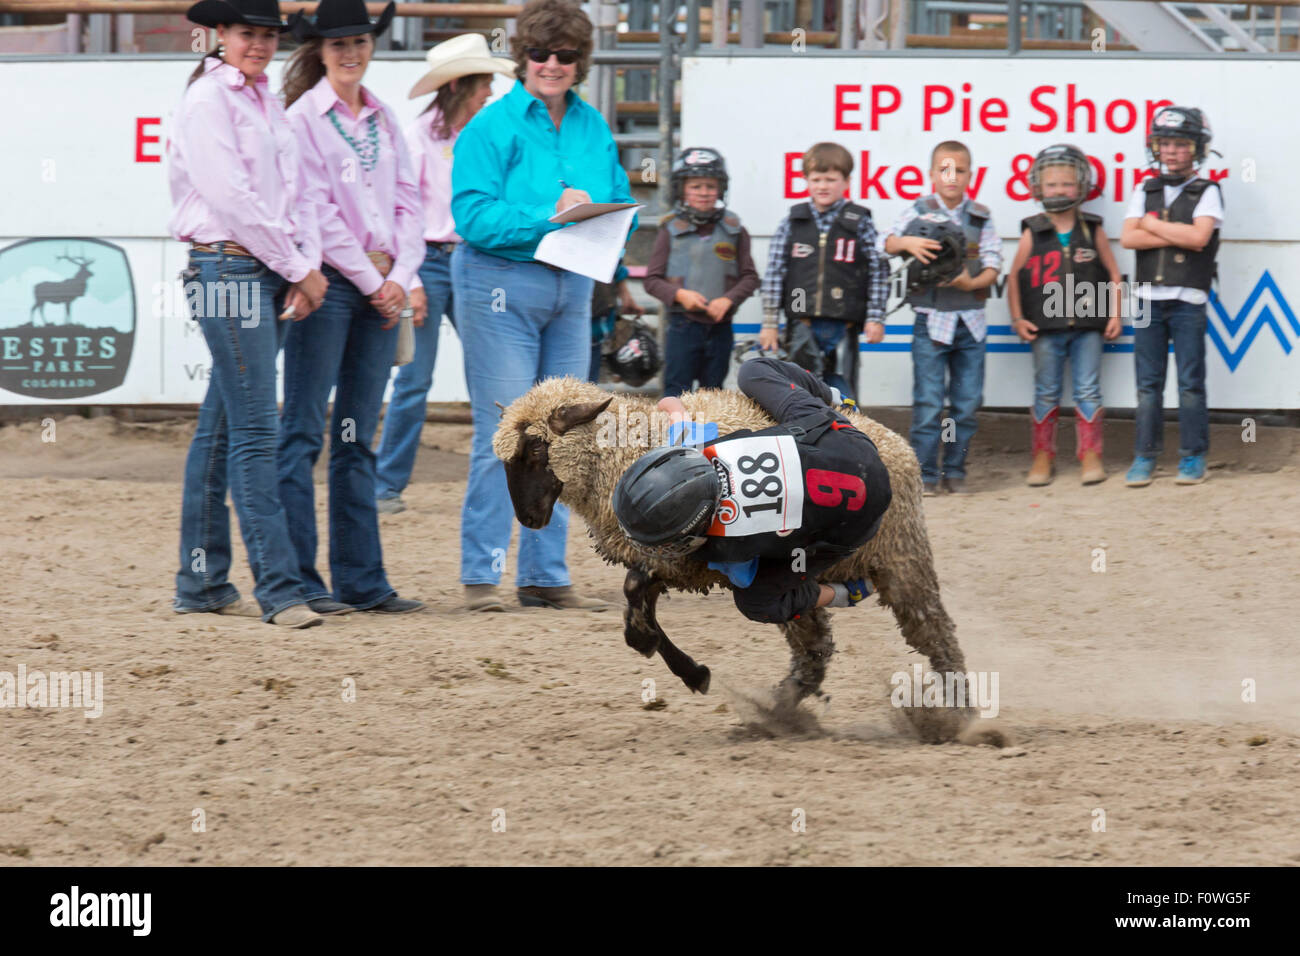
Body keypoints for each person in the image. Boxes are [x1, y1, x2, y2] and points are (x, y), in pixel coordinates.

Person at [450, 0, 635, 613]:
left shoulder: (593, 127)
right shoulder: (489, 127)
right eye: (540, 53)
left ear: (579, 63)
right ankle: (483, 576)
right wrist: (548, 220)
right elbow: (472, 215)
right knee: (503, 432)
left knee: (567, 435)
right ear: (521, 58)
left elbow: (620, 198)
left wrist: (604, 215)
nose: (551, 64)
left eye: (565, 56)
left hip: (572, 286)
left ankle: (546, 576)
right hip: (499, 282)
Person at [169, 0, 328, 630]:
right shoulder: (209, 100)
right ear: (221, 36)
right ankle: (281, 588)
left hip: (253, 269)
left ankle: (201, 581)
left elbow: (297, 193)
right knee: (259, 429)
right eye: (246, 34)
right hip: (226, 269)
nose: (258, 44)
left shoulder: (265, 103)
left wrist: (300, 263)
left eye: (266, 35)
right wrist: (297, 267)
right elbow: (230, 197)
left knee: (224, 430)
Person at [278, 0, 426, 614]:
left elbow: (411, 203)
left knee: (357, 434)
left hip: (378, 286)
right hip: (335, 286)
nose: (350, 51)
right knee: (304, 430)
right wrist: (377, 283)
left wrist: (403, 274)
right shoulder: (302, 120)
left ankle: (362, 581)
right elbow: (317, 213)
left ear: (371, 45)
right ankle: (303, 580)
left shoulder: (385, 118)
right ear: (319, 49)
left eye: (359, 40)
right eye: (337, 42)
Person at [612, 356, 891, 625]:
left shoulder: (727, 548)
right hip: (852, 446)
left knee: (758, 603)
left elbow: (745, 578)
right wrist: (671, 405)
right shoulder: (700, 454)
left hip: (859, 527)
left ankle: (845, 593)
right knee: (753, 370)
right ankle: (836, 399)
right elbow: (677, 413)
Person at [373, 34, 514, 515]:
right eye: (483, 85)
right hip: (431, 263)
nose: (489, 94)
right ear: (461, 86)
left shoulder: (484, 138)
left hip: (472, 259)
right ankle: (386, 485)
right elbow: (402, 210)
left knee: (492, 379)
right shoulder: (415, 138)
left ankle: (497, 482)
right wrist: (409, 277)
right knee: (414, 379)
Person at [881, 140, 1001, 496]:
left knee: (966, 405)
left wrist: (972, 282)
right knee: (929, 404)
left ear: (970, 175)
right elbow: (886, 242)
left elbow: (994, 263)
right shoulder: (917, 210)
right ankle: (926, 475)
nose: (952, 177)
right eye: (944, 170)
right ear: (932, 174)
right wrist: (907, 244)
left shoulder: (981, 216)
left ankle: (956, 468)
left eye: (959, 170)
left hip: (971, 324)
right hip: (930, 321)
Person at [1120, 106, 1223, 487]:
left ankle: (1193, 456)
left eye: (1181, 144)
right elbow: (1129, 238)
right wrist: (1170, 230)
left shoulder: (1207, 191)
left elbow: (1199, 239)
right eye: (1165, 143)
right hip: (1148, 299)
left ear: (1196, 148)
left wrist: (1152, 224)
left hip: (1188, 301)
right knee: (1148, 384)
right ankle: (1145, 456)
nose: (1172, 151)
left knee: (1190, 382)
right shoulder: (1143, 189)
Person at [1007, 144, 1122, 486]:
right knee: (1046, 390)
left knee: (1089, 389)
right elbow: (1013, 277)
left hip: (1088, 325)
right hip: (1045, 327)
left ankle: (1091, 455)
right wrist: (1017, 318)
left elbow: (1115, 274)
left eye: (1066, 184)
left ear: (1082, 186)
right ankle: (1043, 457)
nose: (1059, 190)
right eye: (1052, 184)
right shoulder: (1032, 229)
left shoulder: (1092, 229)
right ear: (1038, 186)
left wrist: (1115, 314)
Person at [759, 142, 889, 404]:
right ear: (806, 180)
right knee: (801, 393)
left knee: (845, 397)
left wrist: (876, 317)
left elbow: (878, 269)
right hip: (802, 326)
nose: (823, 186)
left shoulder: (860, 222)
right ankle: (804, 443)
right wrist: (770, 323)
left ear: (846, 182)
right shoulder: (793, 222)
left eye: (831, 179)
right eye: (816, 179)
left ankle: (849, 441)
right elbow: (774, 273)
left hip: (844, 326)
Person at [643, 147, 760, 396]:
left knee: (714, 395)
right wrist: (679, 295)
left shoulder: (735, 229)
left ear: (721, 189)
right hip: (682, 326)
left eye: (710, 186)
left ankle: (712, 437)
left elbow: (750, 277)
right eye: (695, 186)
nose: (704, 193)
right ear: (681, 188)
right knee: (676, 392)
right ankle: (674, 435)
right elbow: (652, 280)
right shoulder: (669, 229)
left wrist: (729, 299)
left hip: (721, 327)